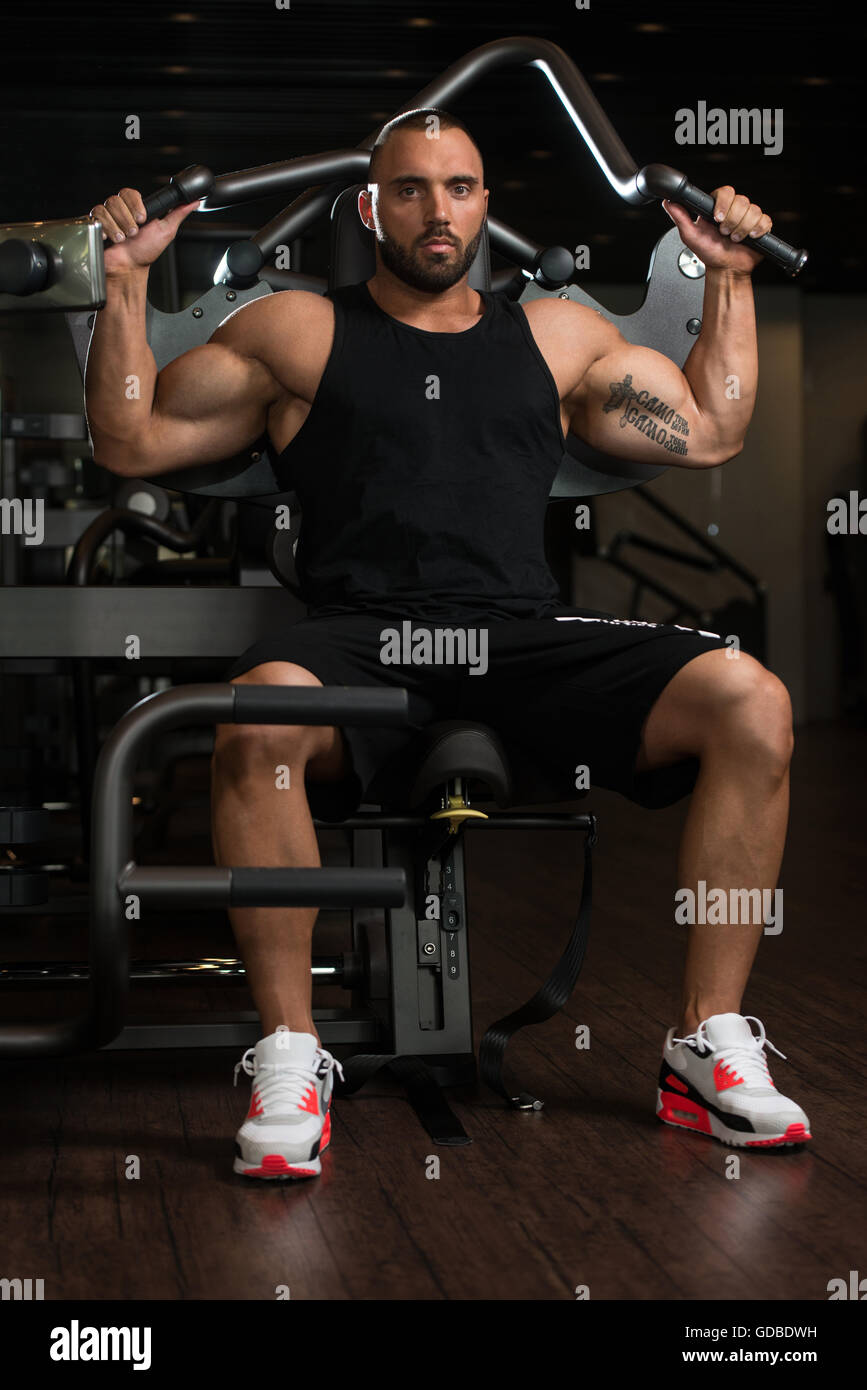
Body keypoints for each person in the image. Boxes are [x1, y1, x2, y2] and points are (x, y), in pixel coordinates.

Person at [85, 107, 811, 1180]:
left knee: (754, 699)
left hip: (522, 638)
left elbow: (712, 427)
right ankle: (290, 1050)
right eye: (412, 188)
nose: (439, 210)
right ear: (371, 206)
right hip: (361, 640)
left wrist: (731, 278)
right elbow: (128, 436)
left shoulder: (557, 338)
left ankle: (704, 1041)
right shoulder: (300, 332)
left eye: (461, 187)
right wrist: (129, 281)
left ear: (485, 205)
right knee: (258, 717)